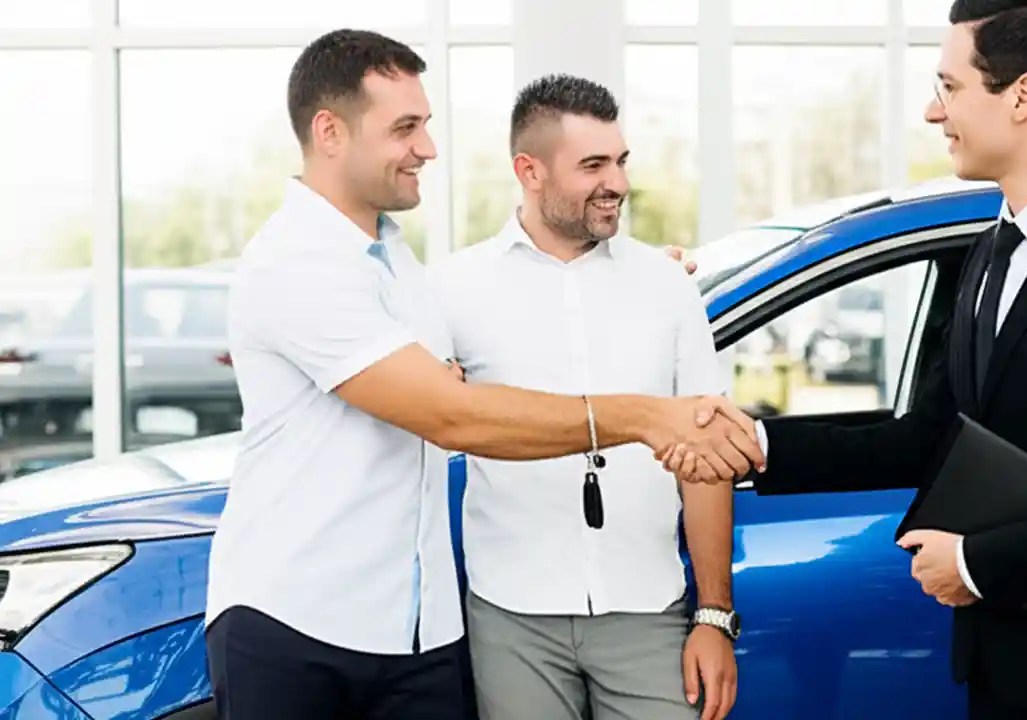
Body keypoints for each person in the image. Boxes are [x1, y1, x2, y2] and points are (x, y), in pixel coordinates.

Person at [667, 1, 1027, 718]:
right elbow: (932, 436)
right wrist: (756, 443)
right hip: (1001, 667)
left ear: (1023, 95)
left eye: (950, 87)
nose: (934, 113)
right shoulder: (991, 251)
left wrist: (976, 563)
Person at [205, 30, 762, 720]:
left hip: (418, 630)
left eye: (427, 126)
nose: (429, 148)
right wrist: (647, 417)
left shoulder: (399, 267)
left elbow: (446, 391)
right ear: (330, 132)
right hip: (303, 622)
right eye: (406, 127)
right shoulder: (304, 265)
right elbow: (453, 414)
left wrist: (641, 287)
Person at [436, 74, 738, 720]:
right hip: (512, 617)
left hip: (649, 610)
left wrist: (714, 614)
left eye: (621, 161)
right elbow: (434, 418)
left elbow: (705, 455)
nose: (619, 183)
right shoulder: (453, 291)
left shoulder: (667, 286)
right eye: (593, 164)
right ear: (530, 171)